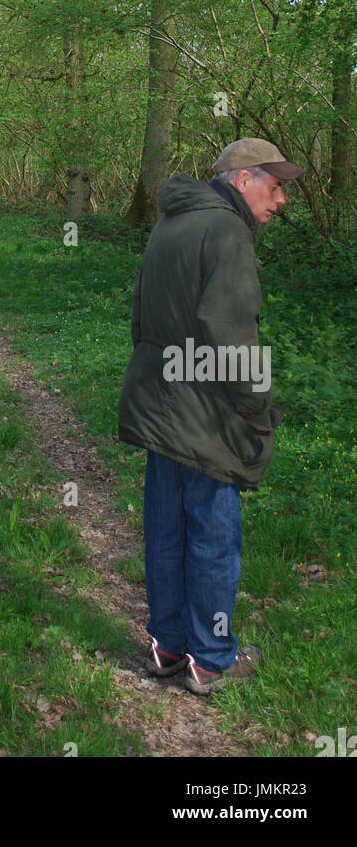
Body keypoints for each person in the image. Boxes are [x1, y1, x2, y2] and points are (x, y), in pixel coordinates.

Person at [118, 138, 304, 694]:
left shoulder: (169, 225)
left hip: (161, 401)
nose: (281, 201)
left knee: (167, 528)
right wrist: (256, 408)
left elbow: (141, 314)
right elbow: (230, 333)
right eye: (274, 187)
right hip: (206, 410)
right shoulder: (226, 231)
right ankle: (213, 659)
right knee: (213, 533)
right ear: (242, 180)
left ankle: (168, 646)